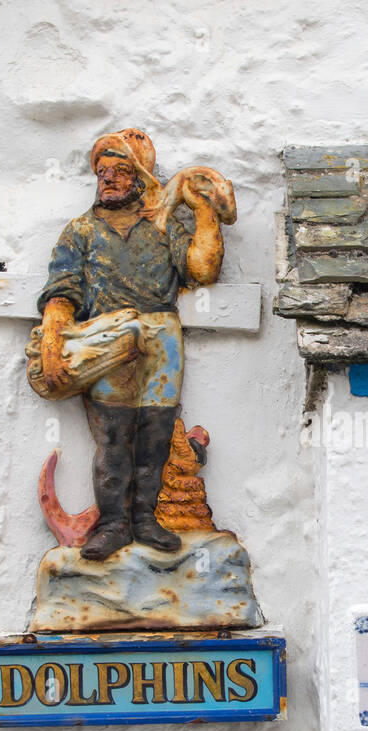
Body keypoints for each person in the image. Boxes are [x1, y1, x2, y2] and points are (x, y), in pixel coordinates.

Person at [35, 128, 225, 560]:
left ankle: (144, 518)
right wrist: (52, 341)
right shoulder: (81, 231)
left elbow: (201, 269)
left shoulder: (162, 225)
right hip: (110, 338)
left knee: (156, 434)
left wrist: (203, 213)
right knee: (113, 436)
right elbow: (62, 292)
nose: (109, 180)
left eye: (121, 171)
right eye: (103, 172)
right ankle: (115, 524)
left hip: (162, 338)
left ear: (141, 177)